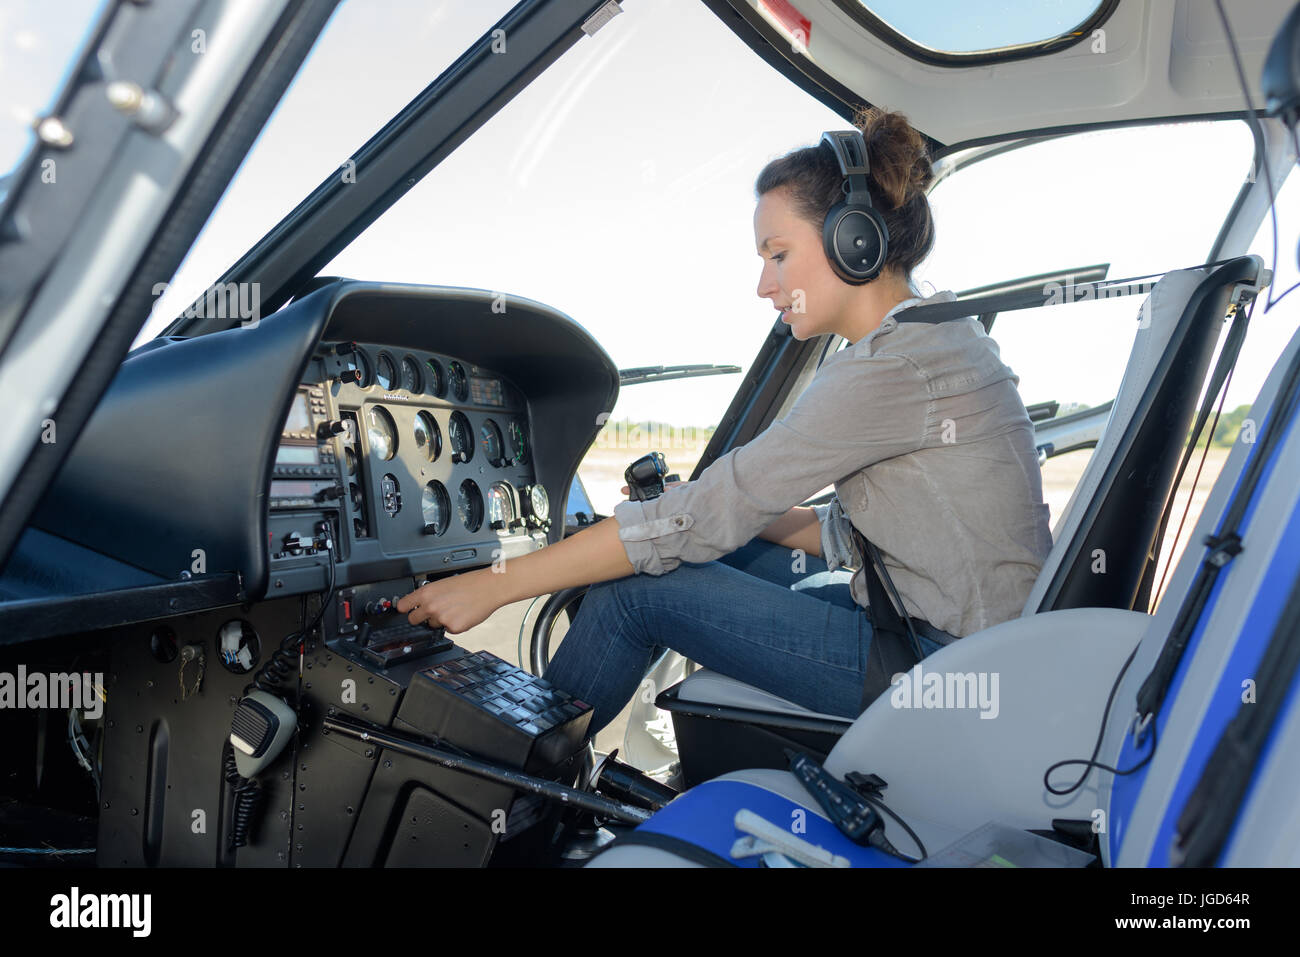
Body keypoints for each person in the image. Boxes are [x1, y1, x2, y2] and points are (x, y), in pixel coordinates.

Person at [396, 107, 1054, 737]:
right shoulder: (931, 336)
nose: (764, 286)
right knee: (701, 541)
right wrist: (704, 509)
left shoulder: (890, 368)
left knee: (637, 594)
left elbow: (698, 522)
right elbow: (861, 537)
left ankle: (512, 801)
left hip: (946, 668)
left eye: (777, 254)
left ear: (853, 242)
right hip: (961, 643)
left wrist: (491, 586)